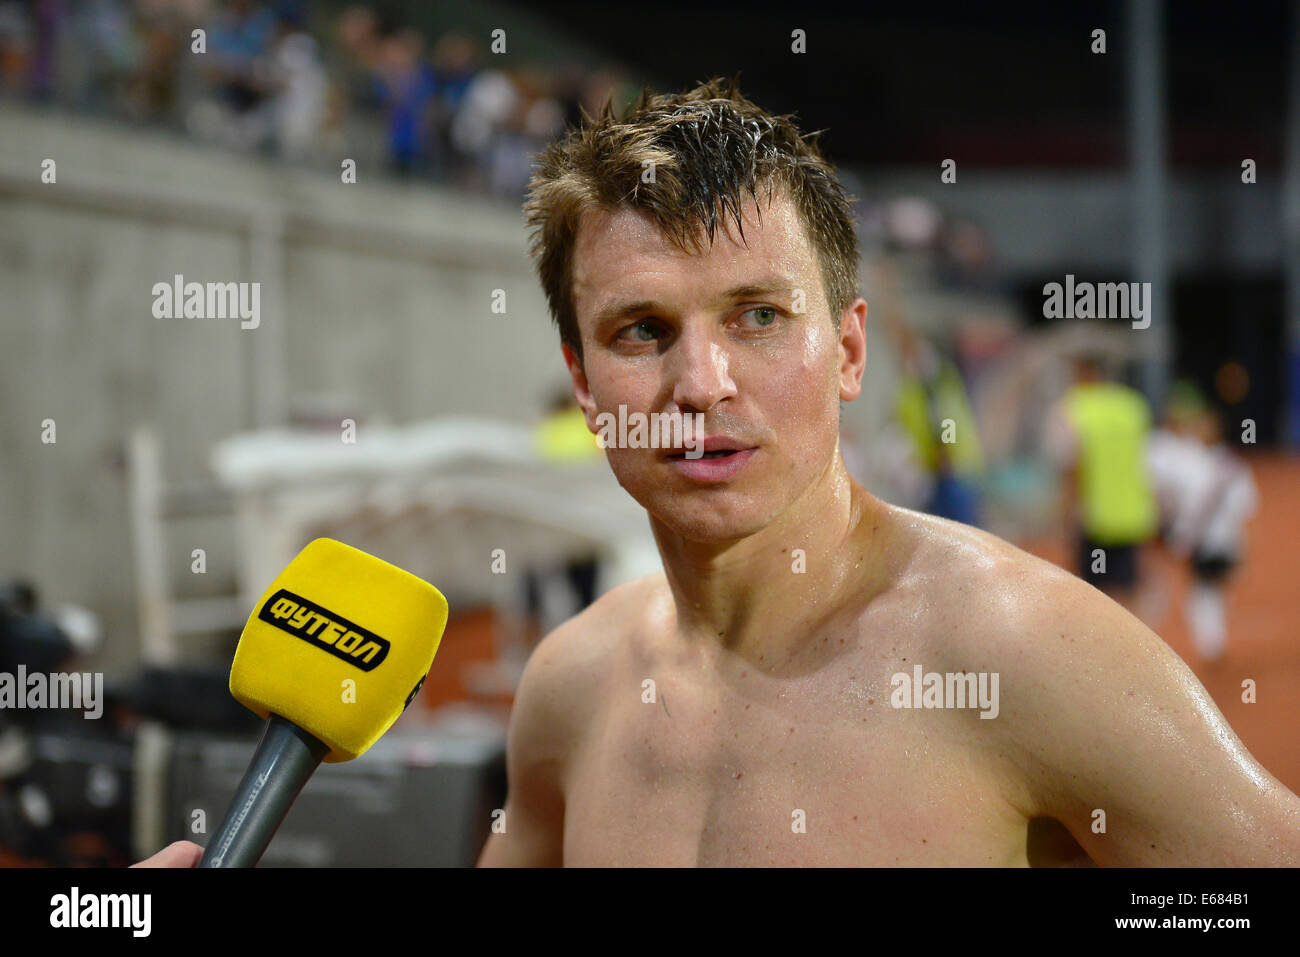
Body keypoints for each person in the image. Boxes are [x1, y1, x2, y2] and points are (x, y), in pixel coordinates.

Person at [138, 77, 1300, 868]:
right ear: (585, 383)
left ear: (846, 352)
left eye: (756, 317)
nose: (701, 381)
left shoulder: (1026, 656)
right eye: (641, 330)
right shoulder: (570, 690)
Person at [1046, 355, 1158, 613]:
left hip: (1094, 519)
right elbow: (1148, 462)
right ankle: (1138, 647)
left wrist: (1066, 517)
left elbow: (1071, 469)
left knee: (1092, 594)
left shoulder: (1072, 409)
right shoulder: (1132, 406)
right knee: (1130, 587)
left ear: (1081, 374)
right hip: (1132, 515)